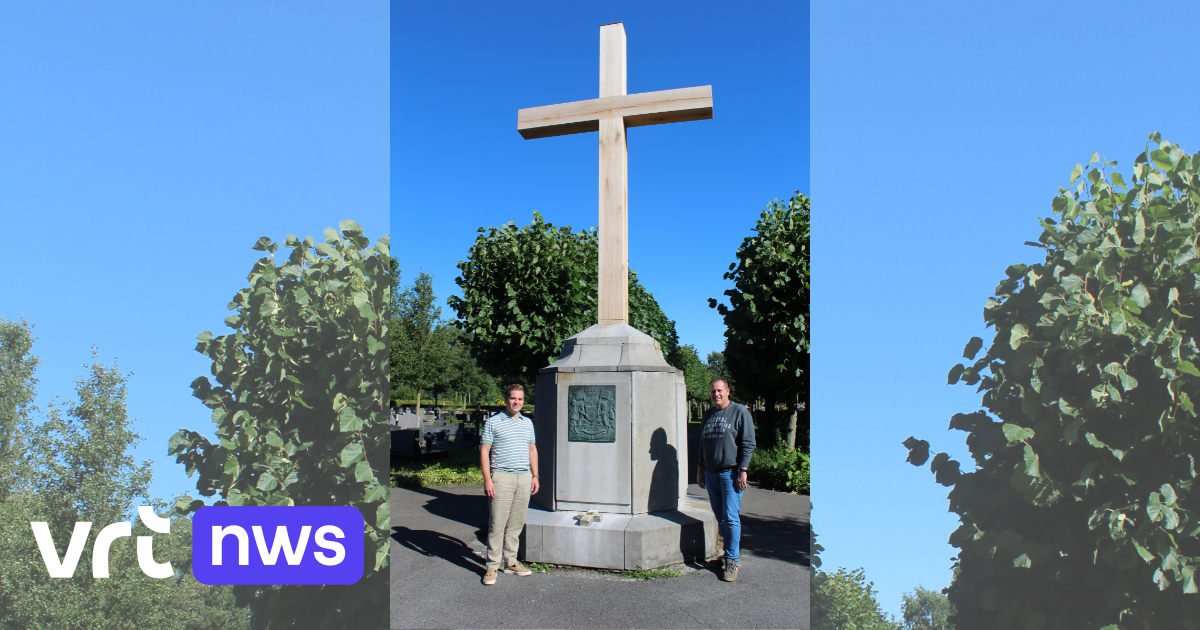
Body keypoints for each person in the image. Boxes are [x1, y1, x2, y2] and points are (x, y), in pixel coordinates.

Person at [696, 377, 755, 582]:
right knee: (721, 517)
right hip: (712, 474)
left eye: (719, 390)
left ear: (728, 391)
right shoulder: (709, 414)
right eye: (713, 391)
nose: (716, 394)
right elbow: (703, 444)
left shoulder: (740, 412)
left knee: (730, 517)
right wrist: (700, 469)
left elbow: (748, 443)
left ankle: (732, 561)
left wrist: (743, 470)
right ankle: (727, 554)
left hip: (730, 474)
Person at [479, 384, 539, 585]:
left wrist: (535, 475)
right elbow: (484, 451)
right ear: (506, 399)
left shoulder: (527, 423)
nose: (516, 402)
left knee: (515, 524)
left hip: (523, 478)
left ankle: (510, 562)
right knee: (497, 524)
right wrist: (488, 479)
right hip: (502, 477)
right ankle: (492, 566)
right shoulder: (493, 422)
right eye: (513, 398)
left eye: (520, 399)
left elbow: (532, 450)